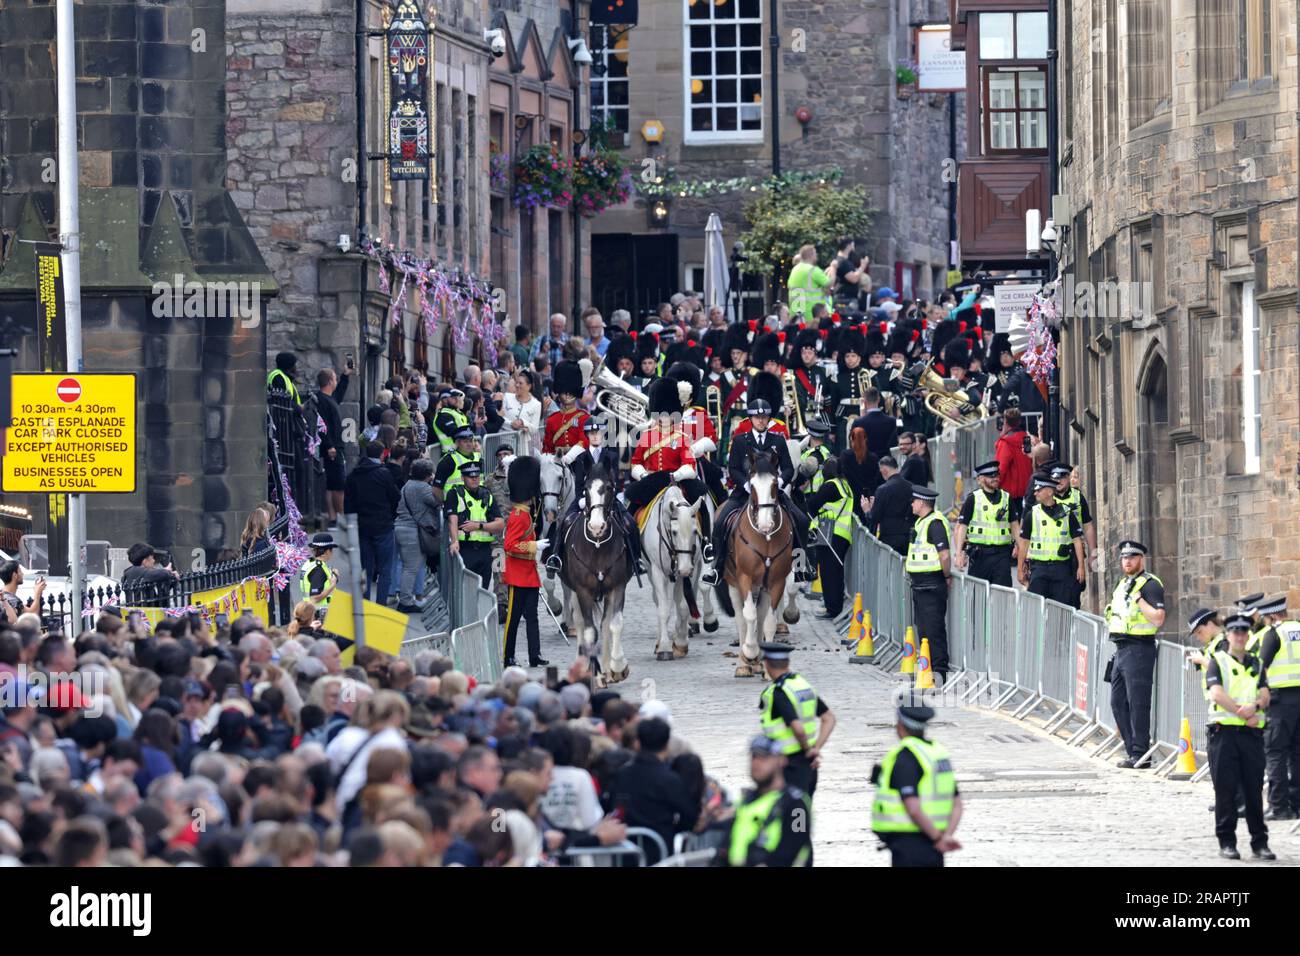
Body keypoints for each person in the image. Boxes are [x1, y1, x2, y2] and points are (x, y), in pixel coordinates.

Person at [703, 397, 809, 587]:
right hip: (745, 493)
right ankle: (717, 567)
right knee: (719, 522)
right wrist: (745, 484)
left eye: (764, 417)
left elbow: (787, 468)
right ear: (750, 419)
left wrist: (780, 482)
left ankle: (801, 565)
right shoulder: (740, 441)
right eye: (757, 417)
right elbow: (733, 468)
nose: (761, 420)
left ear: (769, 418)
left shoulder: (778, 440)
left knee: (801, 520)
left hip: (771, 492)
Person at [1205, 614, 1274, 860]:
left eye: (1244, 632)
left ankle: (1260, 843)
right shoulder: (1217, 661)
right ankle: (1227, 842)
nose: (1240, 636)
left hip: (1250, 735)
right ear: (1228, 635)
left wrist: (1255, 707)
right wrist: (1241, 712)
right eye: (1235, 632)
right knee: (1225, 790)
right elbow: (1216, 693)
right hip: (1223, 733)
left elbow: (1265, 693)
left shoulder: (1256, 663)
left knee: (1253, 790)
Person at [870, 700, 962, 867]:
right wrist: (945, 836)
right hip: (934, 843)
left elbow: (913, 808)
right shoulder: (937, 754)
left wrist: (937, 838)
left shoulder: (906, 757)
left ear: (900, 725)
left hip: (910, 844)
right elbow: (957, 804)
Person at [1104, 540, 1166, 769]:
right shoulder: (1122, 584)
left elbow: (1158, 619)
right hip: (1121, 649)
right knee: (1117, 702)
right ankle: (1132, 751)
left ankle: (1141, 753)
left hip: (1139, 649)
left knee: (1138, 704)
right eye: (1124, 557)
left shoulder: (1150, 585)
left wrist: (1140, 600)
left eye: (1132, 557)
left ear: (1141, 559)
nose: (1127, 561)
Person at [608, 717, 698, 864]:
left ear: (638, 743)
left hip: (626, 850)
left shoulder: (622, 774)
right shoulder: (669, 778)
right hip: (660, 852)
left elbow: (612, 806)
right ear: (666, 743)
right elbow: (689, 814)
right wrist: (674, 831)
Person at [757, 642, 835, 801]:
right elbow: (829, 718)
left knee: (791, 819)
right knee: (801, 815)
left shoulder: (779, 692)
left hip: (787, 766)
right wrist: (816, 748)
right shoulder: (802, 685)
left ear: (766, 664)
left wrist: (807, 749)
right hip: (809, 765)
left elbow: (797, 728)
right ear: (787, 663)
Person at [726, 735, 813, 867]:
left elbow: (794, 846)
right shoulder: (745, 801)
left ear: (781, 760)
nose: (756, 763)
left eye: (764, 757)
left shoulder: (796, 806)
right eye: (754, 757)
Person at [1253, 595, 1300, 820]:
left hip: (1280, 701)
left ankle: (1279, 806)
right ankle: (1297, 804)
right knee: (1297, 753)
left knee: (1276, 753)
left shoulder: (1275, 634)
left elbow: (1260, 668)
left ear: (1272, 615)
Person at [502, 457, 548, 669]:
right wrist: (534, 546)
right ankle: (508, 656)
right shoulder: (518, 516)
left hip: (529, 576)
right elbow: (510, 546)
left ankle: (534, 654)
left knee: (532, 617)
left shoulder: (528, 514)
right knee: (513, 619)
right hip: (518, 576)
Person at [905, 487, 953, 685]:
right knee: (923, 629)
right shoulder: (921, 522)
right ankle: (927, 669)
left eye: (914, 501)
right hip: (920, 585)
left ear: (922, 503)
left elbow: (944, 555)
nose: (911, 504)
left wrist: (947, 575)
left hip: (932, 584)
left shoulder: (935, 524)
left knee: (934, 631)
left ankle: (939, 672)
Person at [344, 441, 400, 607]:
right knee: (385, 570)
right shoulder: (384, 474)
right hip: (383, 526)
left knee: (365, 569)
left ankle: (364, 603)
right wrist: (391, 515)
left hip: (362, 527)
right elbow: (395, 497)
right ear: (383, 454)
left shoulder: (354, 475)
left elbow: (348, 503)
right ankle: (380, 605)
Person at [1017, 474, 1085, 608]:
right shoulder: (1032, 514)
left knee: (1061, 610)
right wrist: (1020, 568)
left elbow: (1077, 540)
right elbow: (1024, 543)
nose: (1035, 492)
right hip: (1039, 569)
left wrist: (1081, 567)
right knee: (1035, 609)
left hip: (1061, 568)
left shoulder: (1067, 513)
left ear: (1049, 491)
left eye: (1039, 490)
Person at [953, 459, 1018, 588]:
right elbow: (961, 527)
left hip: (1002, 555)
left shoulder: (1006, 498)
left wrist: (1019, 546)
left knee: (1002, 597)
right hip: (980, 556)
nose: (995, 478)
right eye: (990, 476)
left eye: (997, 475)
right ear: (980, 479)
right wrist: (959, 553)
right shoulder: (973, 499)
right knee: (978, 597)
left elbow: (1015, 525)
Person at [803, 457, 854, 619]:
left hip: (829, 532)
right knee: (836, 572)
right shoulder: (845, 485)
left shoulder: (830, 485)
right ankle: (835, 605)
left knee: (828, 572)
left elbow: (812, 503)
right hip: (843, 534)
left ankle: (832, 608)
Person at [446, 462, 504, 594]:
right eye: (470, 476)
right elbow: (452, 520)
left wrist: (478, 526)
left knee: (482, 592)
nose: (474, 479)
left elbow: (500, 524)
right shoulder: (455, 494)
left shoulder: (487, 494)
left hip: (484, 551)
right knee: (464, 592)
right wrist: (455, 541)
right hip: (465, 549)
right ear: (462, 478)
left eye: (477, 476)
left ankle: (478, 615)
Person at [394, 459, 440, 613]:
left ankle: (406, 598)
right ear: (428, 475)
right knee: (411, 568)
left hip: (402, 528)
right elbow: (438, 500)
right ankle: (405, 602)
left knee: (409, 566)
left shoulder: (408, 484)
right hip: (411, 530)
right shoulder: (422, 488)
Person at [315, 362, 352, 523]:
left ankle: (332, 517)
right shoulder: (321, 400)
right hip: (332, 448)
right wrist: (329, 445)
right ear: (330, 381)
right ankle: (338, 516)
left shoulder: (330, 399)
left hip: (334, 446)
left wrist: (345, 375)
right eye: (335, 379)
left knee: (332, 483)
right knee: (338, 483)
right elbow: (322, 424)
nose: (336, 382)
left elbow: (339, 395)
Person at [863, 456, 913, 555]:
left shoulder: (883, 489)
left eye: (881, 471)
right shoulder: (911, 486)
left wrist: (867, 510)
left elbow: (874, 518)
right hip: (907, 536)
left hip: (889, 538)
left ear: (885, 470)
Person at [432, 427, 483, 504]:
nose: (469, 444)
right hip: (455, 508)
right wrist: (445, 504)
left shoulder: (478, 457)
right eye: (465, 441)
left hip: (477, 506)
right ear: (458, 443)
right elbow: (436, 489)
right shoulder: (448, 460)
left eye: (470, 441)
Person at [994, 408, 1033, 502]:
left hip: (1009, 492)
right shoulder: (1027, 439)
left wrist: (994, 485)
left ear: (1005, 422)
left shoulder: (1005, 443)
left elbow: (1001, 468)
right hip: (1026, 489)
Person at [501, 370, 543, 457]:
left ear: (529, 386)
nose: (517, 385)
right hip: (505, 443)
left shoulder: (536, 404)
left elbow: (535, 428)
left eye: (520, 383)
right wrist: (511, 424)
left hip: (523, 446)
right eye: (516, 383)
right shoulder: (507, 397)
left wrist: (523, 423)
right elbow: (501, 418)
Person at [786, 245, 832, 320]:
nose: (816, 256)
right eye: (815, 253)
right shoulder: (813, 270)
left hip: (795, 317)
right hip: (812, 315)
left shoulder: (794, 270)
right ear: (811, 255)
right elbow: (829, 283)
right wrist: (834, 269)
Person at [299, 532, 340, 610]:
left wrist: (334, 576)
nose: (332, 552)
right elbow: (314, 598)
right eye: (331, 550)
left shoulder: (310, 563)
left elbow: (322, 583)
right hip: (319, 614)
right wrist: (332, 585)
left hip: (310, 611)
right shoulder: (318, 569)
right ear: (327, 552)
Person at [855, 387, 897, 460]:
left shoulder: (858, 422)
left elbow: (855, 444)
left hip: (866, 461)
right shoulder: (892, 421)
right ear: (878, 399)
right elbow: (895, 442)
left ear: (864, 401)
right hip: (886, 461)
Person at [0, 560, 46, 625]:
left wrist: (38, 591)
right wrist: (37, 594)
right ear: (14, 575)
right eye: (20, 571)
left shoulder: (5, 595)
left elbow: (29, 610)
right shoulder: (12, 600)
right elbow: (32, 615)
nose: (22, 574)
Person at [431, 388, 470, 455]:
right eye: (455, 398)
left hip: (461, 453)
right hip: (452, 454)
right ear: (445, 400)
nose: (458, 400)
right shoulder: (444, 415)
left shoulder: (455, 413)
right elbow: (455, 432)